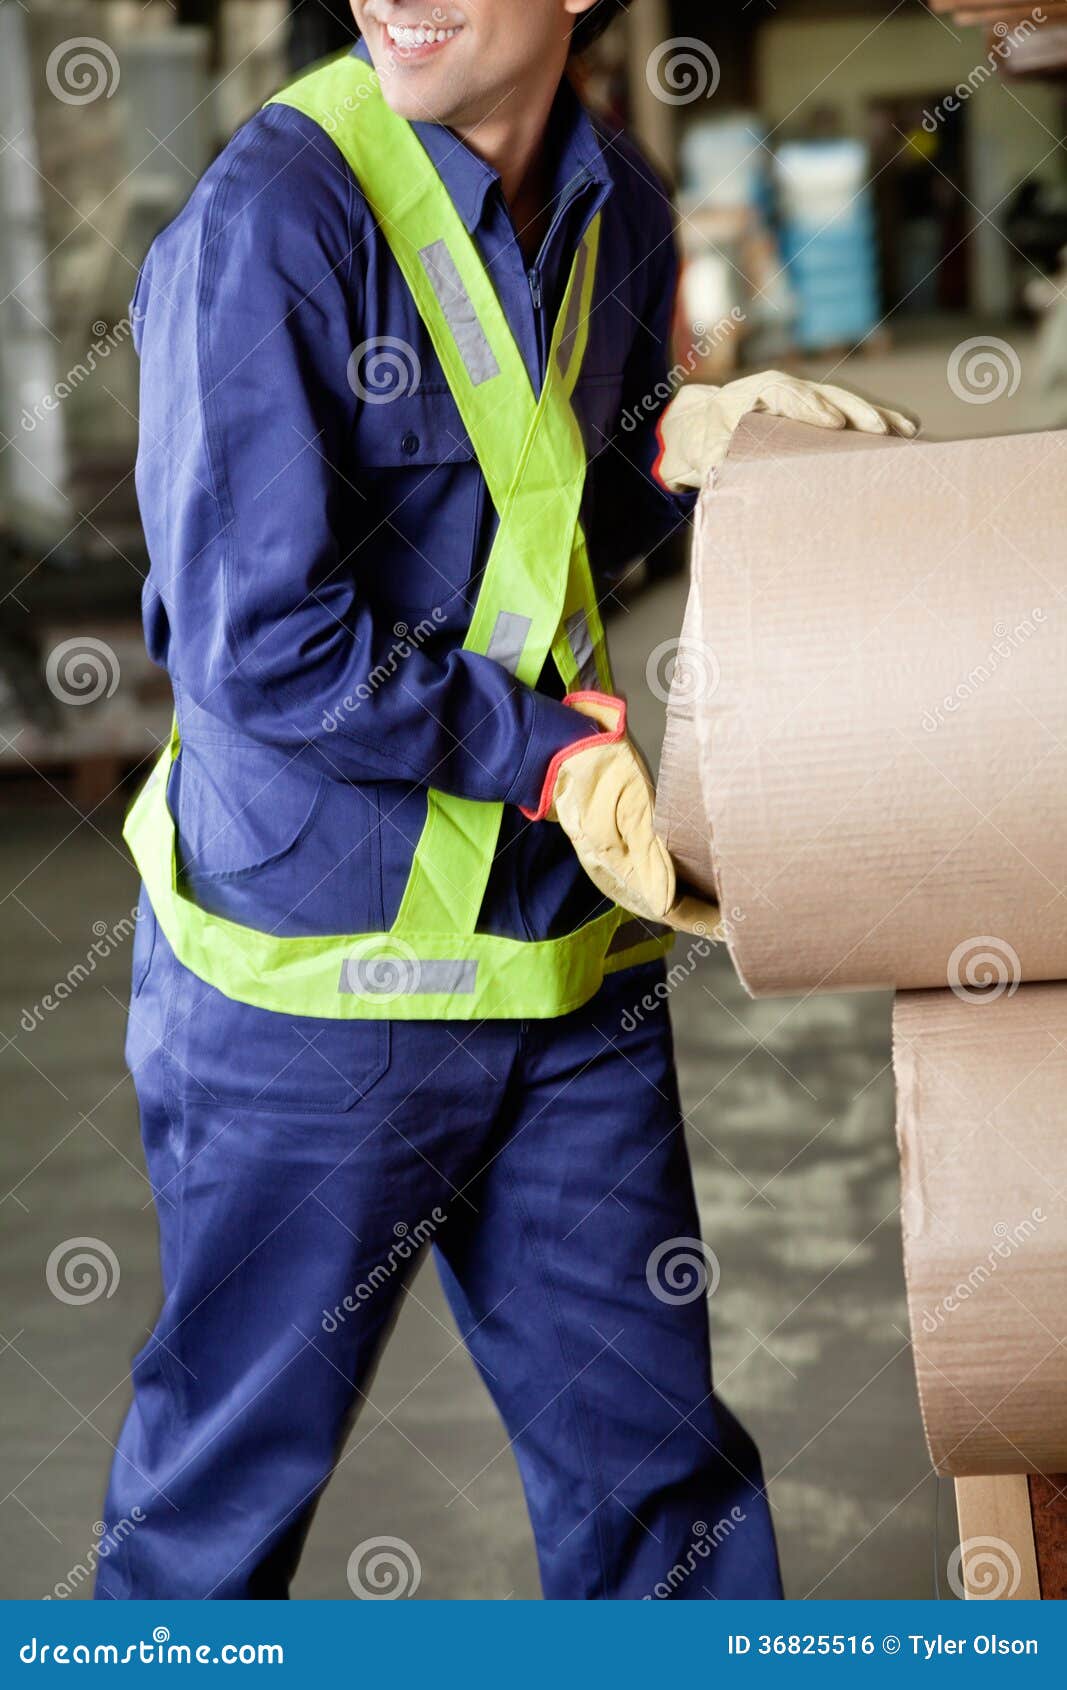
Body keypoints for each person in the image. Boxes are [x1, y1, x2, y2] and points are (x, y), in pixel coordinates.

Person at [97, 0, 914, 1600]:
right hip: (311, 993)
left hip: (558, 966)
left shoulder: (618, 198)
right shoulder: (267, 229)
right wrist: (543, 752)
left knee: (659, 1497)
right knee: (212, 1524)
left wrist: (675, 443)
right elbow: (256, 644)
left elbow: (539, 498)